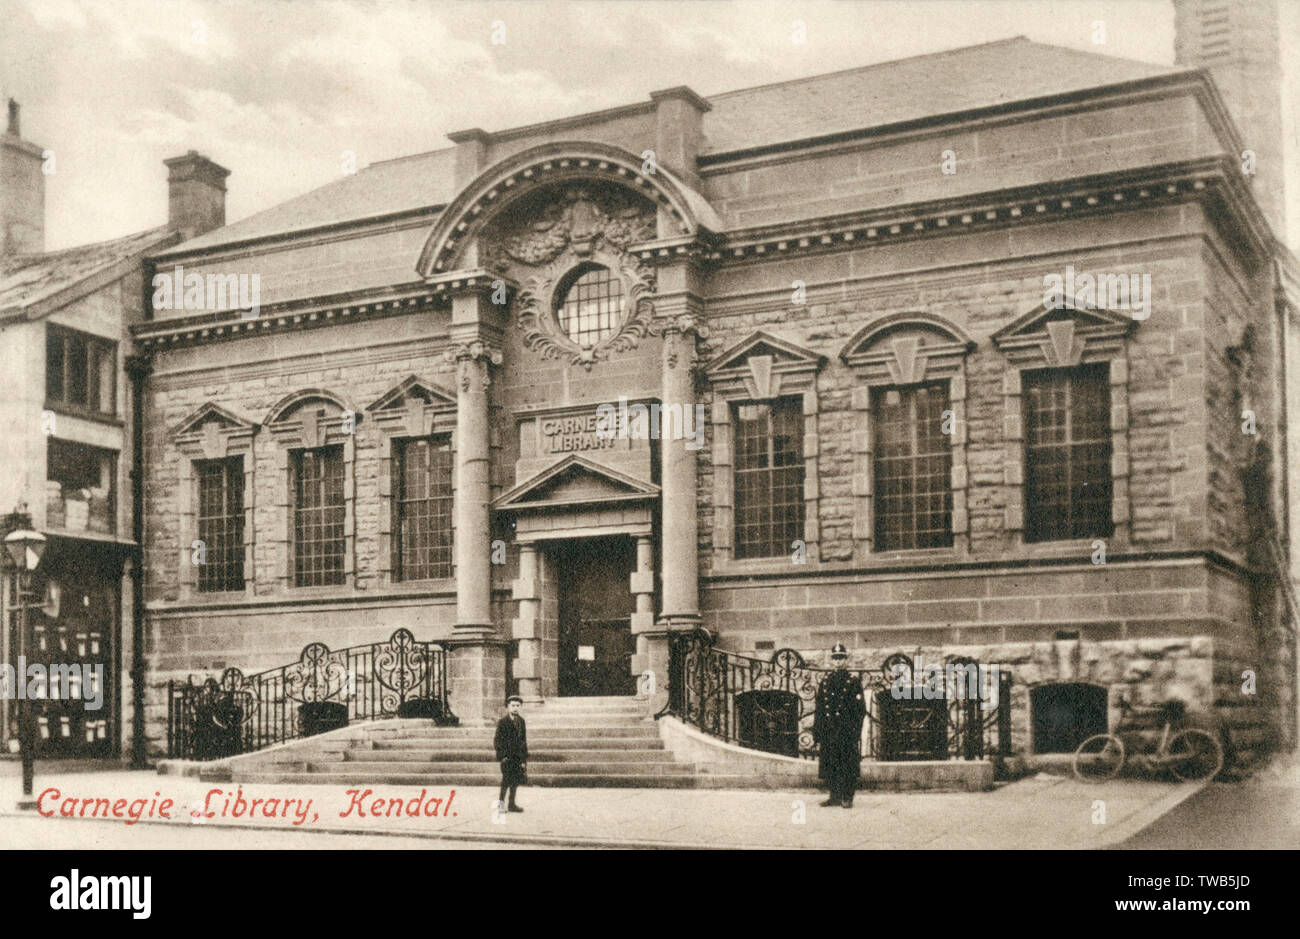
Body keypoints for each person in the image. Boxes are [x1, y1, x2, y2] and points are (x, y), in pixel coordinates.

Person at [813, 644, 866, 808]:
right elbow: (820, 708)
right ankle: (834, 796)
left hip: (845, 731)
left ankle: (847, 797)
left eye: (841, 658)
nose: (838, 661)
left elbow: (860, 710)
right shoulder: (826, 681)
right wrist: (818, 731)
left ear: (846, 660)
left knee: (847, 764)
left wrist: (854, 732)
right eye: (835, 658)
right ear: (831, 661)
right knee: (831, 763)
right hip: (829, 730)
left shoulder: (853, 681)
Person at [494, 694, 528, 813]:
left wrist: (524, 760)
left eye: (518, 705)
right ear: (508, 707)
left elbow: (524, 741)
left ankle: (512, 804)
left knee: (515, 781)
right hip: (507, 757)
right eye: (513, 705)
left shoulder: (521, 721)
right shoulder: (503, 722)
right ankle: (501, 805)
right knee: (506, 782)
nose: (515, 708)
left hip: (518, 757)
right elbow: (497, 740)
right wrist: (502, 756)